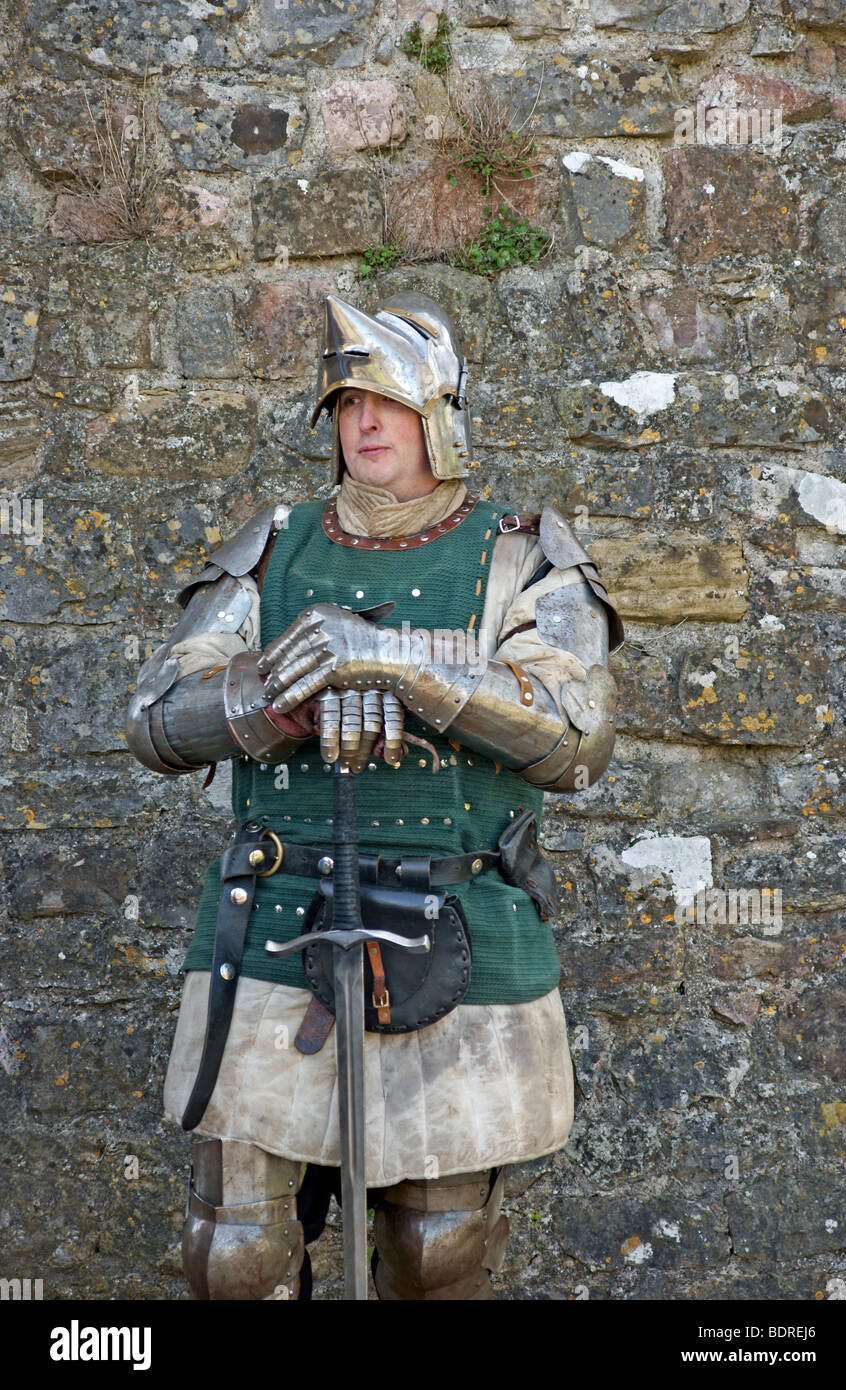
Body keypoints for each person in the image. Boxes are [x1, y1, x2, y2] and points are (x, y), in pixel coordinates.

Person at [126, 291, 624, 1301]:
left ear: (437, 413)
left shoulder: (519, 555)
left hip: (460, 923)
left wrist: (398, 664)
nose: (364, 425)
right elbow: (153, 716)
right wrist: (280, 692)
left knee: (436, 1254)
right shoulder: (271, 548)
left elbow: (576, 735)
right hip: (272, 923)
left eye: (387, 403)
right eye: (347, 404)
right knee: (236, 1255)